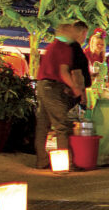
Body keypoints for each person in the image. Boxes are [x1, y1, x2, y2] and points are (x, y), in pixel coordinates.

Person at [33, 24, 81, 170]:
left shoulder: (52, 46)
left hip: (42, 86)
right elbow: (63, 72)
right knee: (62, 125)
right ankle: (67, 163)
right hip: (52, 88)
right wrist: (75, 88)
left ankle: (42, 160)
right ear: (66, 32)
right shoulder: (64, 48)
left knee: (43, 124)